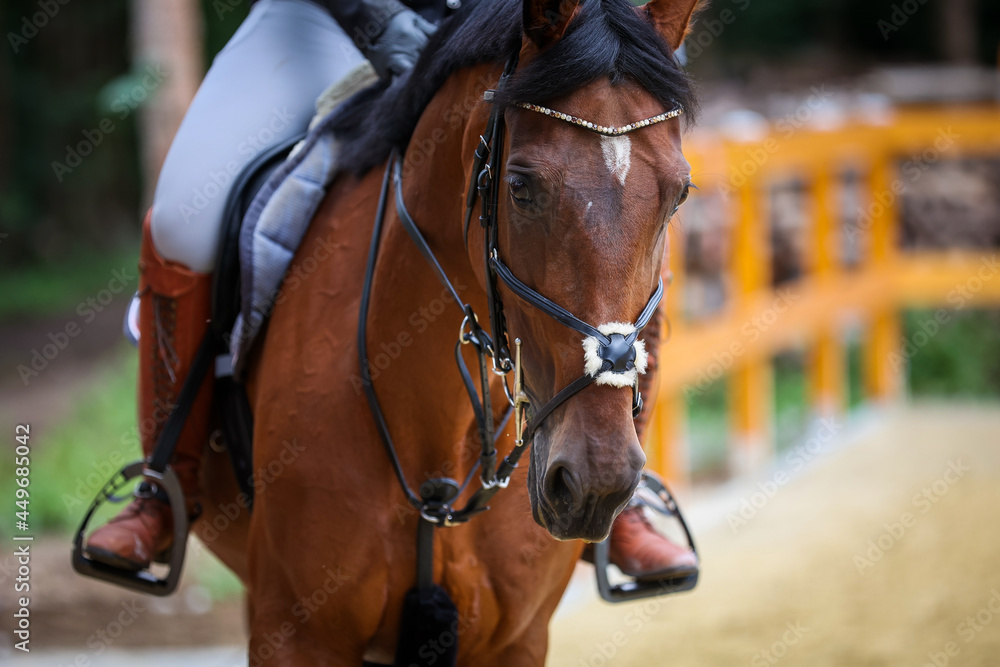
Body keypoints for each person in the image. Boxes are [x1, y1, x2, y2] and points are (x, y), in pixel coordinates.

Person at [84, 0, 697, 583]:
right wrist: (383, 23)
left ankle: (619, 485)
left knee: (621, 204)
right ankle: (167, 486)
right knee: (181, 222)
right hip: (322, 25)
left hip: (522, 26)